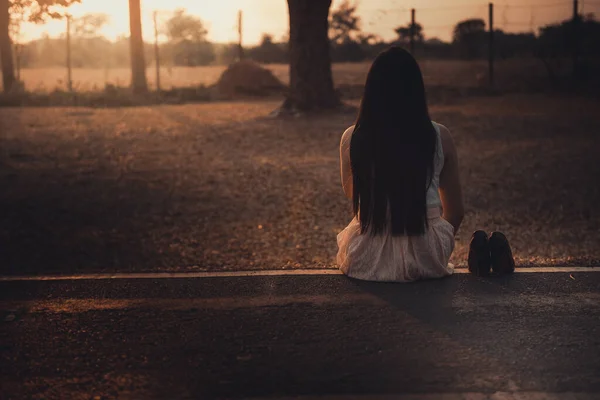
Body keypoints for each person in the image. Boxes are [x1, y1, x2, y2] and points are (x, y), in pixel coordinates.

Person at [336, 46, 514, 282]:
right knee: (437, 228)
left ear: (371, 91)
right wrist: (436, 244)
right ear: (417, 90)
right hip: (426, 254)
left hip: (366, 257)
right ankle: (484, 253)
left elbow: (352, 193)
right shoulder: (439, 135)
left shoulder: (352, 137)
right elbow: (456, 211)